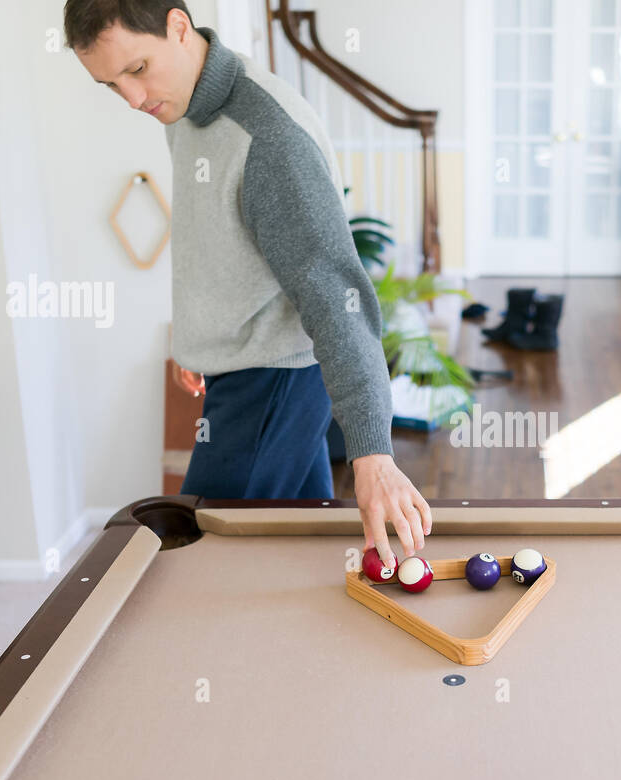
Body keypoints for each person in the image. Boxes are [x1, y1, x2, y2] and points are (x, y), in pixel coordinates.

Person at [64, 0, 430, 569]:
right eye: (110, 84)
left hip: (273, 382)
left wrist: (373, 453)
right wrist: (197, 337)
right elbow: (214, 232)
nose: (132, 100)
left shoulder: (269, 138)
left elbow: (337, 296)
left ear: (178, 27)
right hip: (244, 371)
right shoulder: (181, 103)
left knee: (200, 558)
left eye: (136, 70)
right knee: (295, 551)